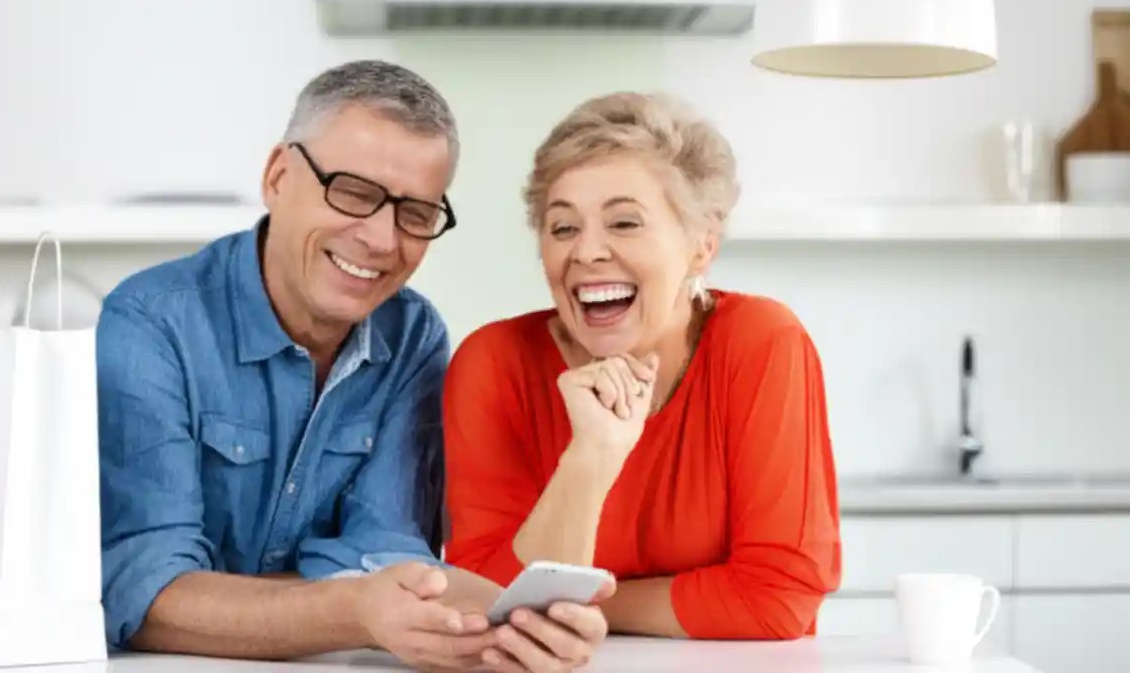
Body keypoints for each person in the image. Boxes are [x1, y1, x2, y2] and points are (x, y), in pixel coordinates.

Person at [96, 60, 609, 671]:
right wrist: (354, 611)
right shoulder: (151, 323)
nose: (382, 239)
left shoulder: (412, 335)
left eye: (416, 213)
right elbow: (143, 594)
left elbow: (389, 559)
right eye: (354, 193)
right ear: (278, 177)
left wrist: (519, 625)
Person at [442, 92, 842, 640]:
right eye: (563, 228)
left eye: (624, 223)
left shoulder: (760, 343)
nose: (587, 252)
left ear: (701, 245)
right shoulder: (493, 366)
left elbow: (778, 596)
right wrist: (592, 454)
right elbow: (482, 595)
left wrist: (579, 606)